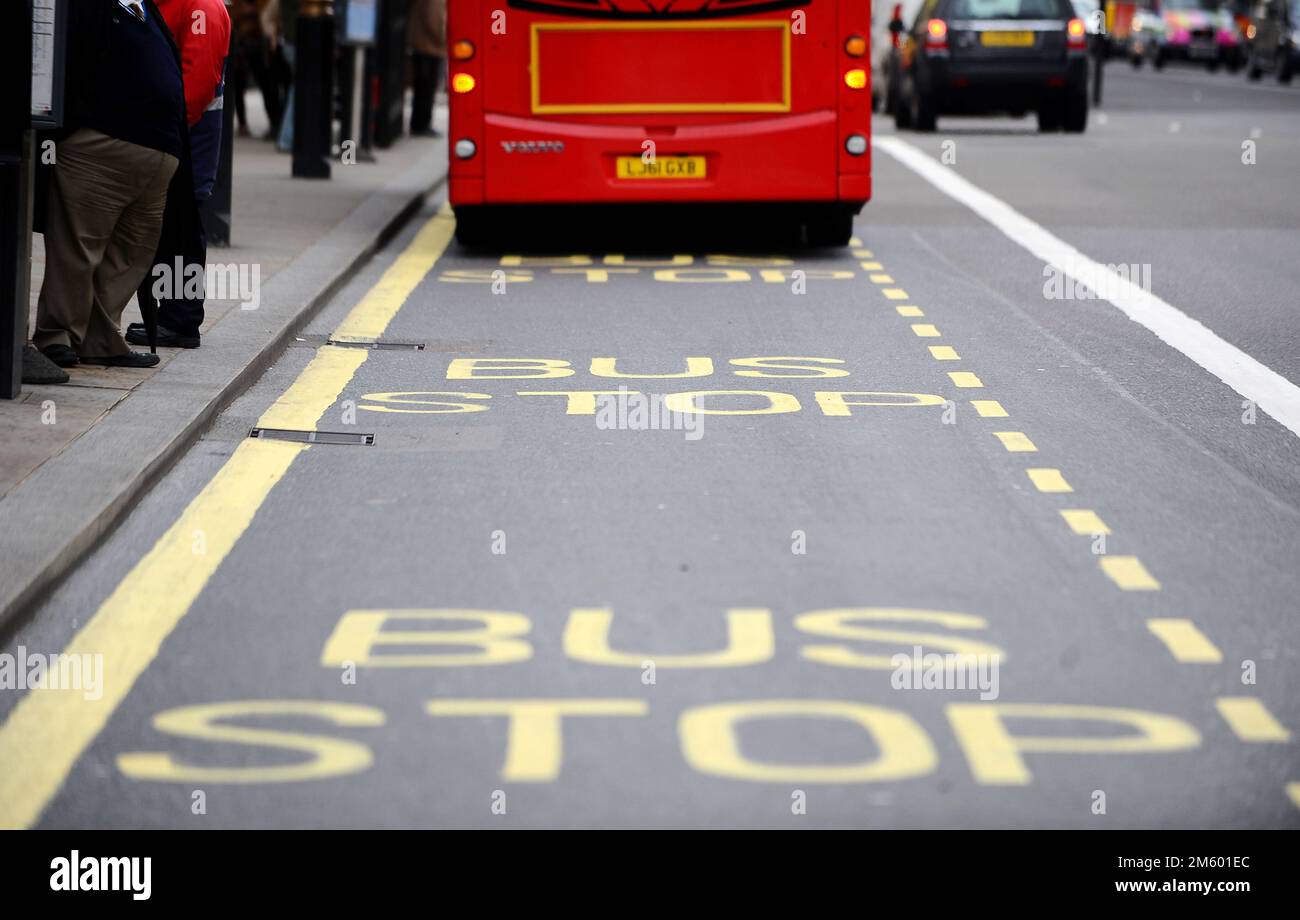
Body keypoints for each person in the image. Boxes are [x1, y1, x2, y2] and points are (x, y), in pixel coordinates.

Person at [31, 0, 190, 370]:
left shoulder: (144, 7)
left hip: (156, 155)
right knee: (79, 250)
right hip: (99, 148)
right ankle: (58, 336)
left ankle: (100, 338)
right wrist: (72, 134)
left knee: (130, 255)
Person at [126, 0, 232, 351]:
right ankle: (171, 316)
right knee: (172, 225)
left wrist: (165, 128)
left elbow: (198, 81)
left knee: (181, 227)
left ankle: (180, 320)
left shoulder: (202, 6)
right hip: (174, 130)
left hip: (188, 133)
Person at [409, 0, 447, 137]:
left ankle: (420, 123)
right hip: (429, 46)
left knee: (423, 88)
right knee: (426, 88)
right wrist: (445, 38)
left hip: (423, 43)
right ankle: (421, 124)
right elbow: (434, 18)